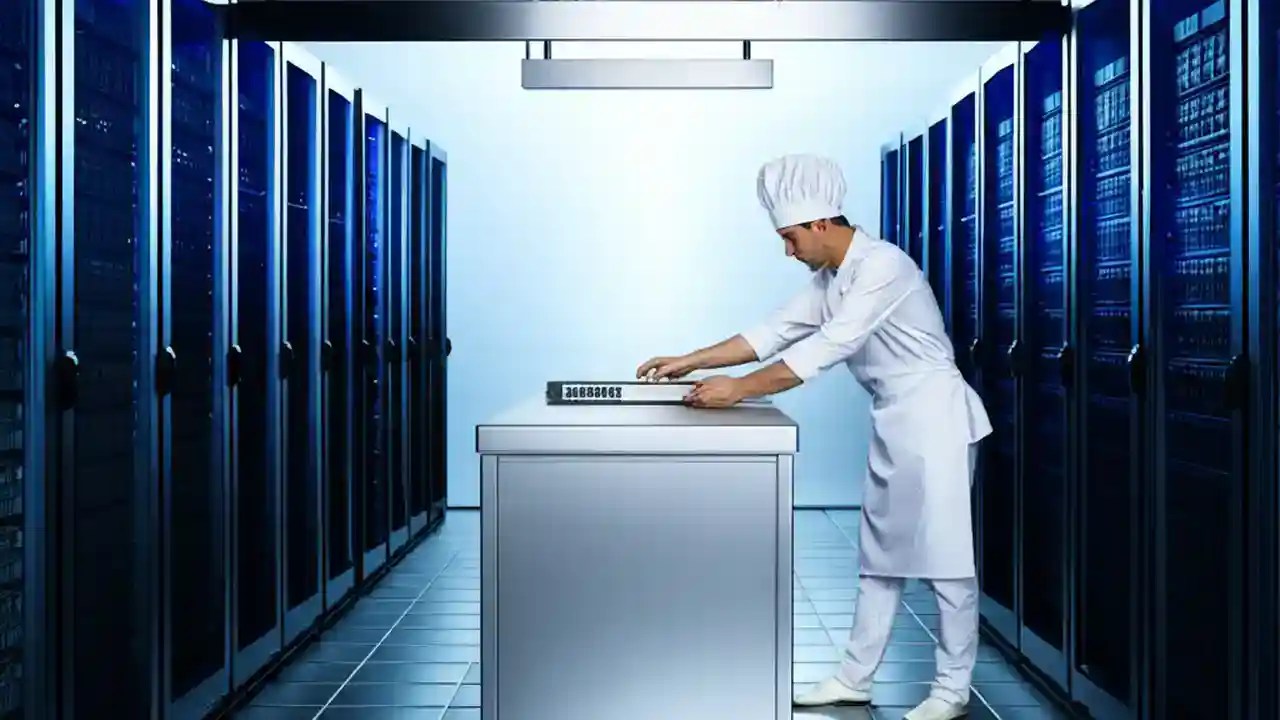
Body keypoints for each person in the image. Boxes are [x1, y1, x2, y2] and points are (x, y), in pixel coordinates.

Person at [636, 154, 991, 720]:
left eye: (790, 237)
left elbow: (825, 349)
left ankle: (951, 689)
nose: (788, 250)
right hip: (894, 421)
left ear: (821, 224)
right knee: (880, 560)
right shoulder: (831, 277)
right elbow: (772, 332)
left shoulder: (884, 267)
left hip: (936, 421)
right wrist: (690, 359)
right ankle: (855, 677)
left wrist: (740, 390)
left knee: (946, 563)